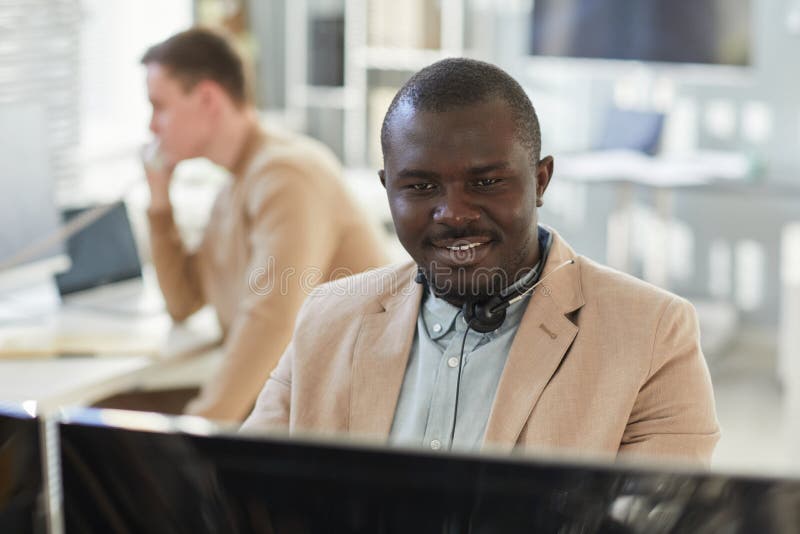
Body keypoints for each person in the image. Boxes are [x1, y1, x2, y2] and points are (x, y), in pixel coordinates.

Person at [242, 58, 720, 465]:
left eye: (486, 183)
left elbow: (659, 516)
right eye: (421, 187)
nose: (454, 213)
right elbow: (242, 495)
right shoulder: (328, 316)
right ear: (387, 188)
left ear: (541, 181)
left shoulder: (653, 333)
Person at [140, 28, 388, 421]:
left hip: (343, 413)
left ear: (207, 98)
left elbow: (271, 319)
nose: (153, 126)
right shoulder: (234, 184)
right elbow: (184, 301)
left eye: (159, 106)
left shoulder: (285, 174)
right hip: (298, 399)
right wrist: (159, 200)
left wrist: (198, 430)